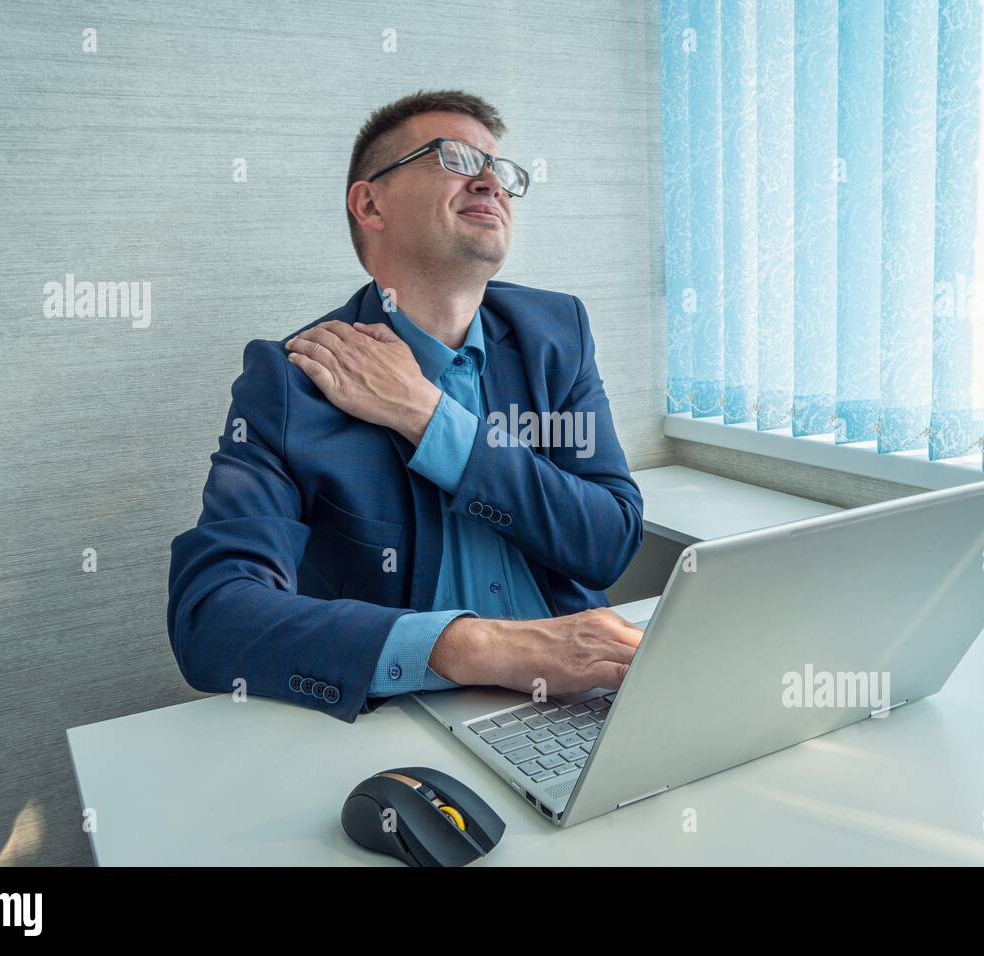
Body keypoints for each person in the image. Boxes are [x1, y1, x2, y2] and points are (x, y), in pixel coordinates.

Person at [167, 90, 645, 723]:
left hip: (585, 698)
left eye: (502, 171)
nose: (490, 182)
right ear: (371, 203)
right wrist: (476, 646)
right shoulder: (293, 381)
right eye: (454, 156)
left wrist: (427, 415)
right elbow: (212, 616)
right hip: (410, 725)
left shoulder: (556, 333)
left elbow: (610, 538)